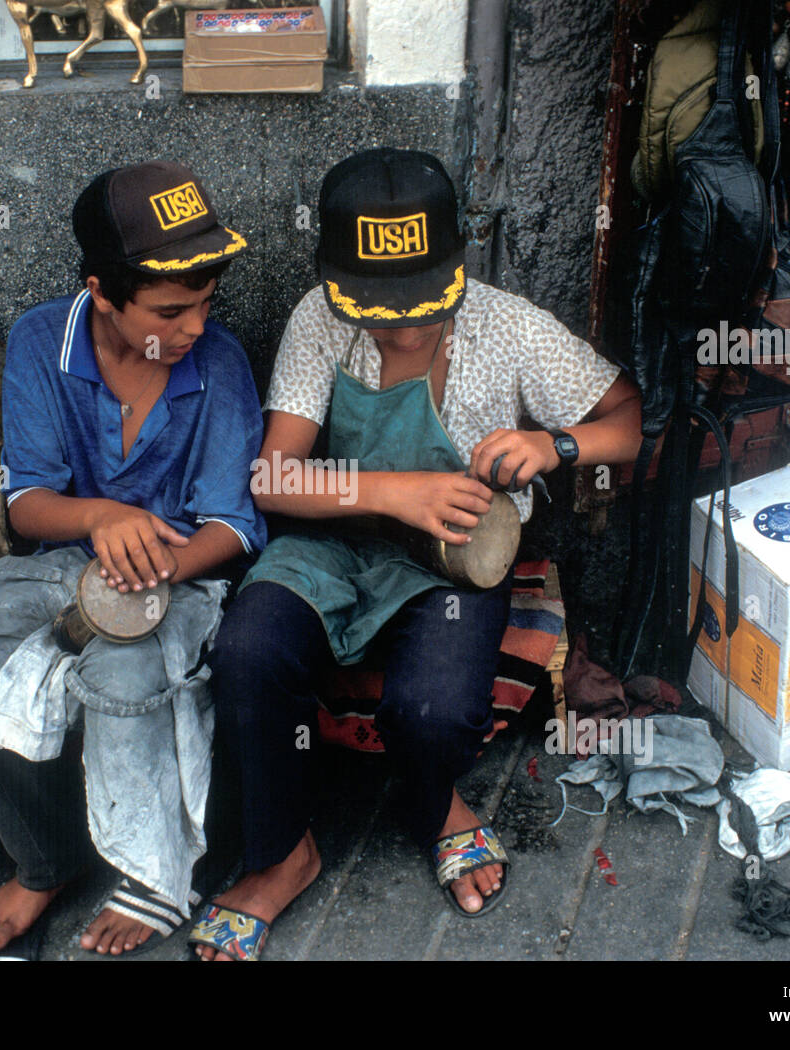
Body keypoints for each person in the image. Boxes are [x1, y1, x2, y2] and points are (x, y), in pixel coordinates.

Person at [190, 148, 643, 961]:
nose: (400, 324)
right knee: (248, 650)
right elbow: (274, 477)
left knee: (433, 712)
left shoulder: (511, 328)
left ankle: (433, 802)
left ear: (455, 266)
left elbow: (626, 424)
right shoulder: (318, 318)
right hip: (331, 542)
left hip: (453, 562)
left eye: (420, 303)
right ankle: (282, 853)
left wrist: (553, 444)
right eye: (377, 306)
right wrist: (393, 491)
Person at [0, 161, 266, 957]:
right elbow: (28, 503)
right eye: (170, 313)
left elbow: (234, 529)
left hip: (182, 577)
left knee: (125, 678)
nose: (194, 329)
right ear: (103, 293)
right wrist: (102, 517)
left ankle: (156, 871)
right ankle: (47, 863)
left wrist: (153, 568)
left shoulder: (221, 366)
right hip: (60, 565)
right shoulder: (43, 340)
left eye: (206, 305)